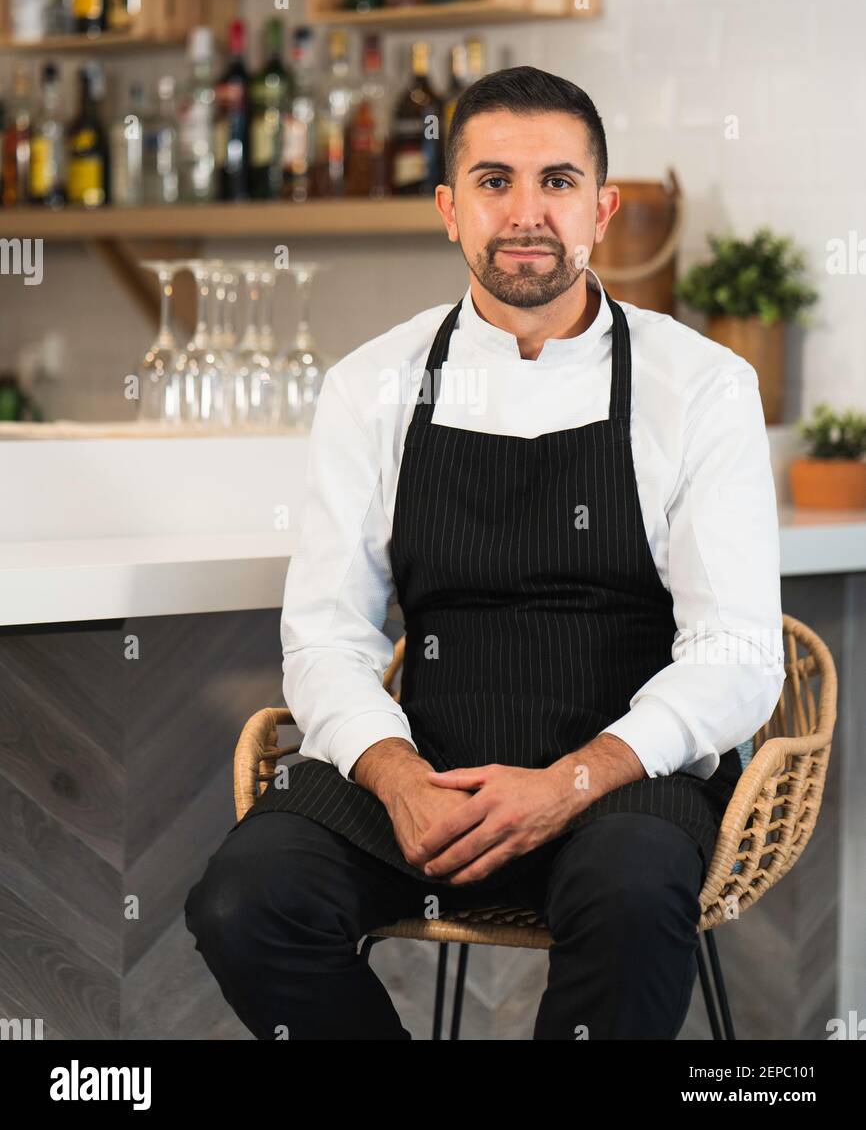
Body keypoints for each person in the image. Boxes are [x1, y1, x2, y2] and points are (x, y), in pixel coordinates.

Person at [185, 66, 785, 1040]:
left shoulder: (701, 385)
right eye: (492, 181)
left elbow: (735, 654)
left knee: (632, 900)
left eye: (555, 182)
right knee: (244, 901)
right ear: (447, 209)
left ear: (601, 207)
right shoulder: (369, 383)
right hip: (429, 772)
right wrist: (393, 772)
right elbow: (326, 634)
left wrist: (567, 782)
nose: (524, 213)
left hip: (622, 783)